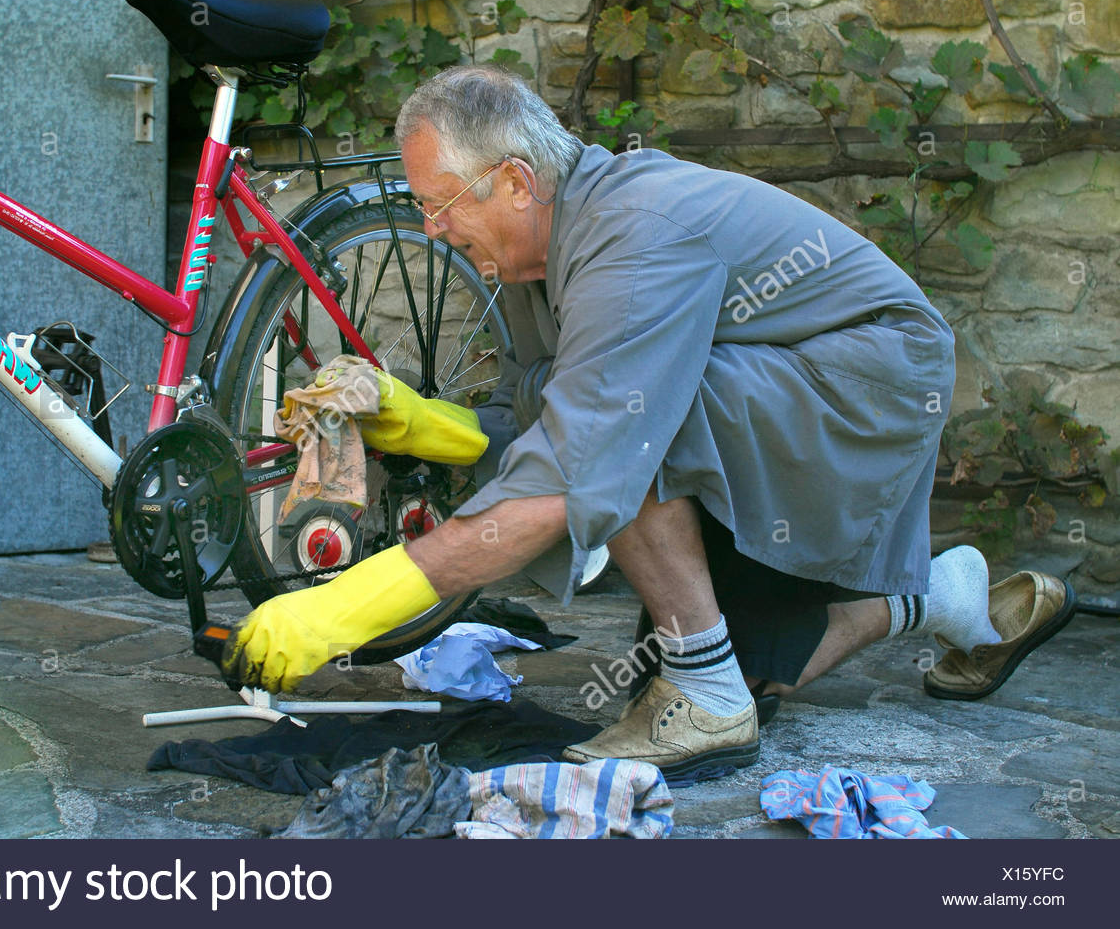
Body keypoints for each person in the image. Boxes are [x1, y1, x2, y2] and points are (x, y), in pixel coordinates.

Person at [222, 65, 1077, 781]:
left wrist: (337, 615)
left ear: (516, 182)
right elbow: (548, 403)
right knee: (761, 667)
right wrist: (430, 423)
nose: (432, 230)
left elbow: (585, 452)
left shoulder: (634, 232)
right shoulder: (539, 250)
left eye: (441, 205)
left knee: (632, 427)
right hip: (765, 390)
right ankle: (952, 598)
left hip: (870, 381)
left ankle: (701, 700)